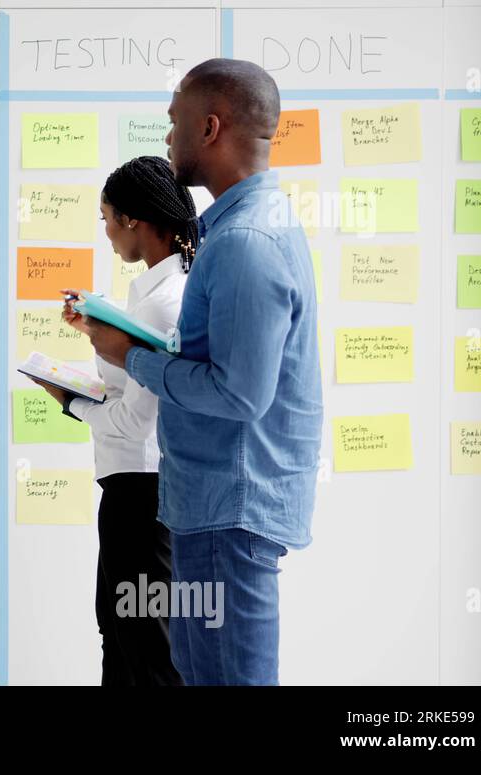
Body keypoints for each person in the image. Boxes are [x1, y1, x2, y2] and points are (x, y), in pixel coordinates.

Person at [85, 58, 323, 685]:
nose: (168, 139)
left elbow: (239, 394)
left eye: (174, 123)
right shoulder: (242, 229)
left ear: (211, 127)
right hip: (208, 507)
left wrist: (130, 357)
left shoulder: (246, 240)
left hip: (229, 509)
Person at [32, 156, 196, 685]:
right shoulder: (151, 296)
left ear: (134, 220)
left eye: (106, 217)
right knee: (120, 633)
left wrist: (69, 399)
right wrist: (96, 331)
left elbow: (134, 422)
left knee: (145, 642)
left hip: (144, 497)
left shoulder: (165, 305)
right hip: (131, 493)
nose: (105, 232)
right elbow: (131, 389)